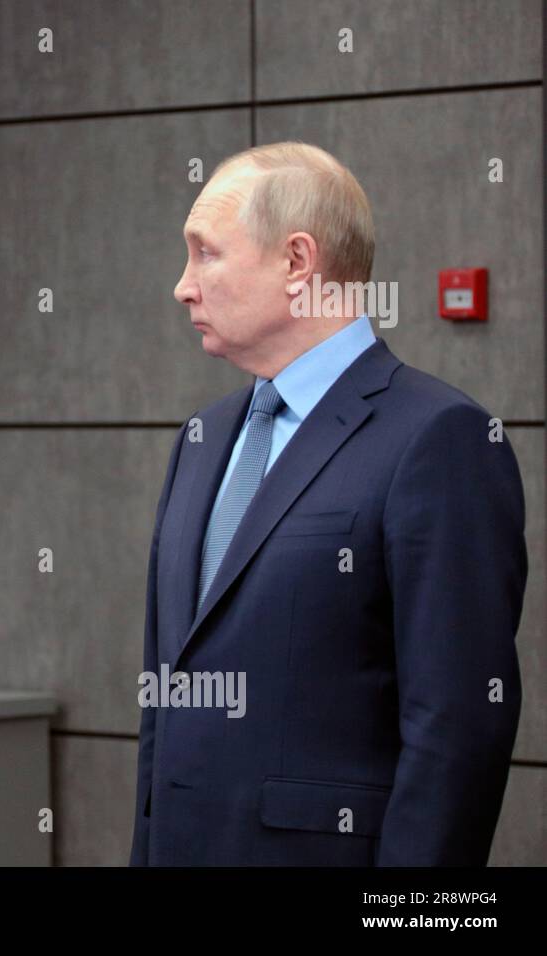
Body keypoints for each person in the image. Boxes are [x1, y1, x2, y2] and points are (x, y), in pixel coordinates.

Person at [130, 142, 525, 865]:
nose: (182, 287)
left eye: (205, 254)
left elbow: (458, 727)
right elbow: (169, 700)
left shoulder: (438, 439)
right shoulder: (200, 438)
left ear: (297, 261)